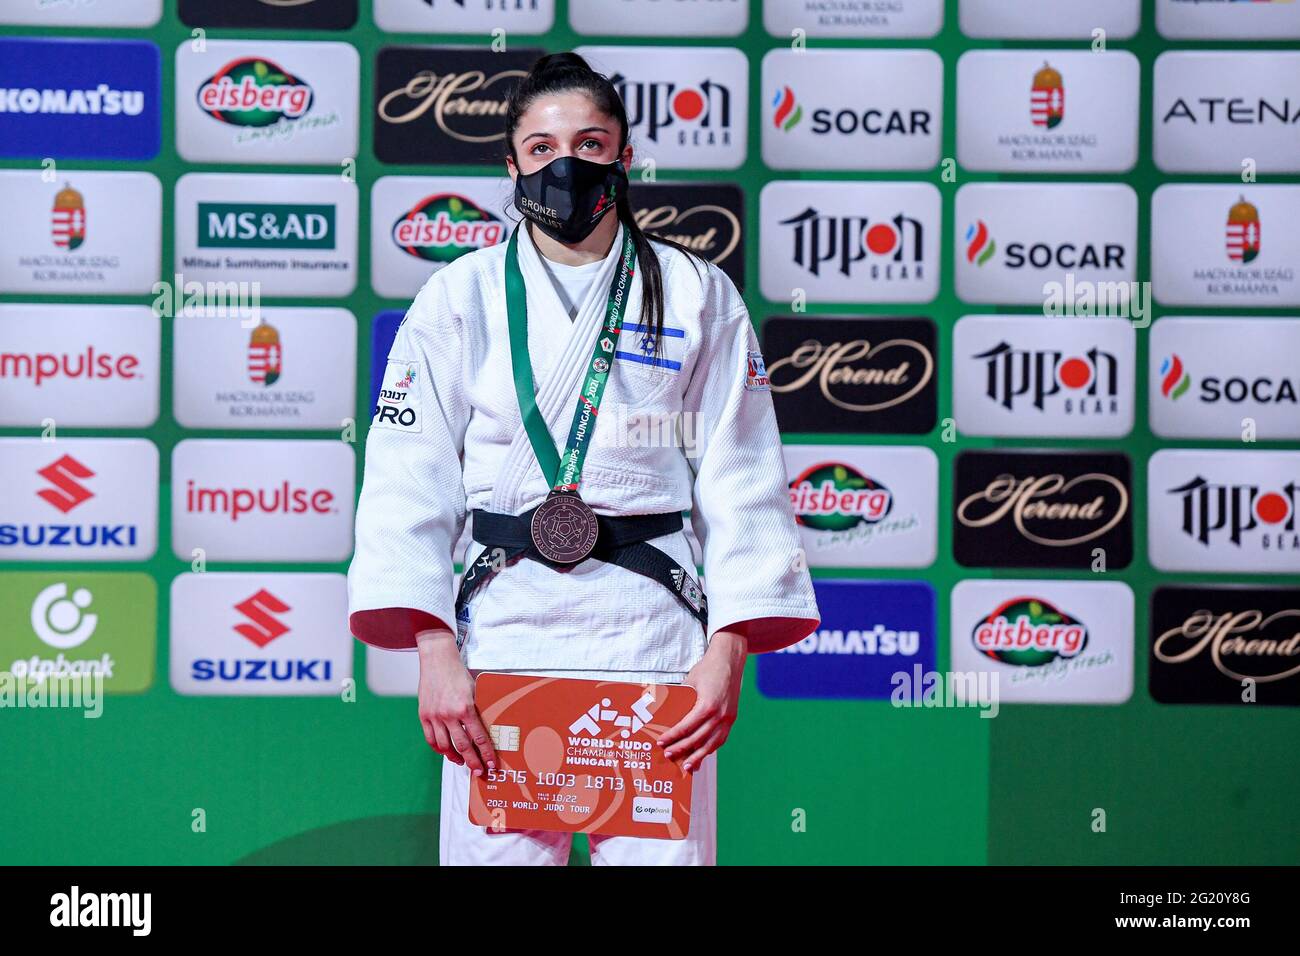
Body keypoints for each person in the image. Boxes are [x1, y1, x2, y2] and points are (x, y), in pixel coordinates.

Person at [347, 52, 819, 866]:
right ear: (512, 165)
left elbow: (743, 478)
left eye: (591, 144)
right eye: (541, 147)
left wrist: (727, 647)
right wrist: (434, 649)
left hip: (651, 636)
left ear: (623, 158)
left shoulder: (695, 291)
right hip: (504, 633)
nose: (565, 163)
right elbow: (406, 474)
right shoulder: (461, 295)